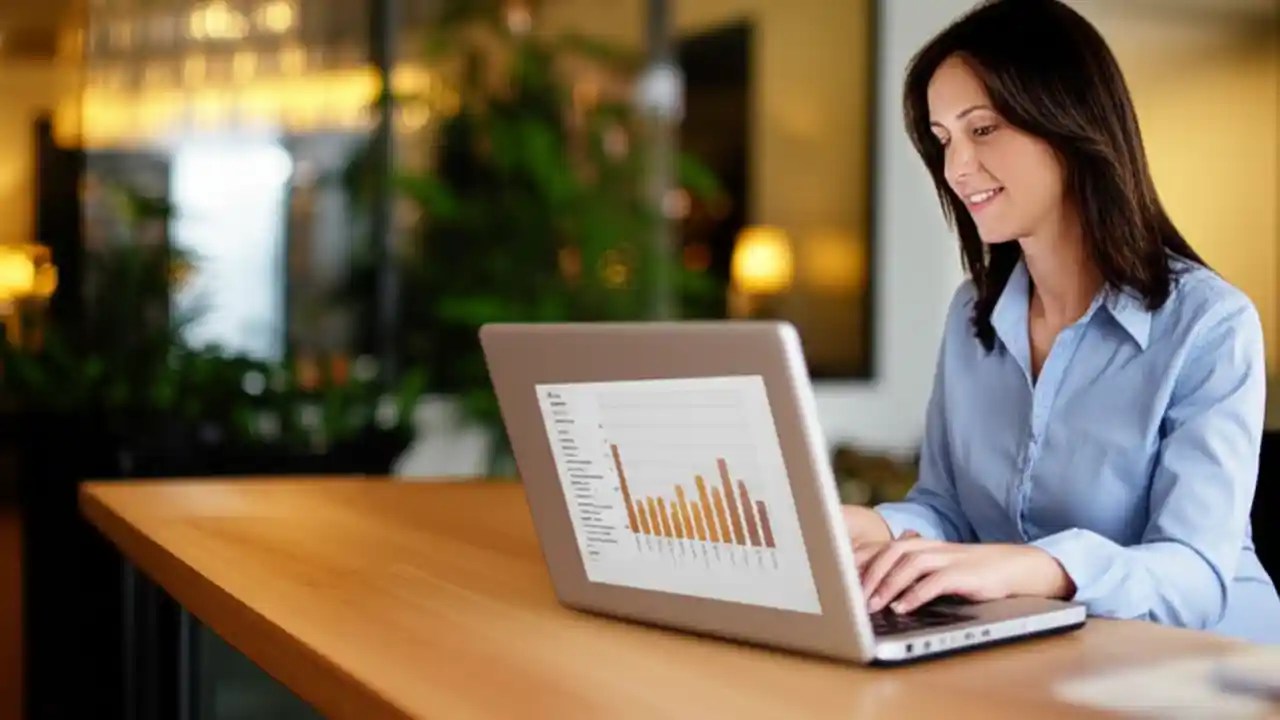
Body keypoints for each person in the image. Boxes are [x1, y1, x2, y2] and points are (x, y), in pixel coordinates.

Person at [841, 0, 1280, 644]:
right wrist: (873, 528)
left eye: (982, 129)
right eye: (943, 139)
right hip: (1051, 653)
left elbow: (1195, 577)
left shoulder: (1209, 324)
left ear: (1067, 124)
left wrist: (1041, 568)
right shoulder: (972, 315)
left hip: (1214, 666)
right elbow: (947, 510)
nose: (955, 168)